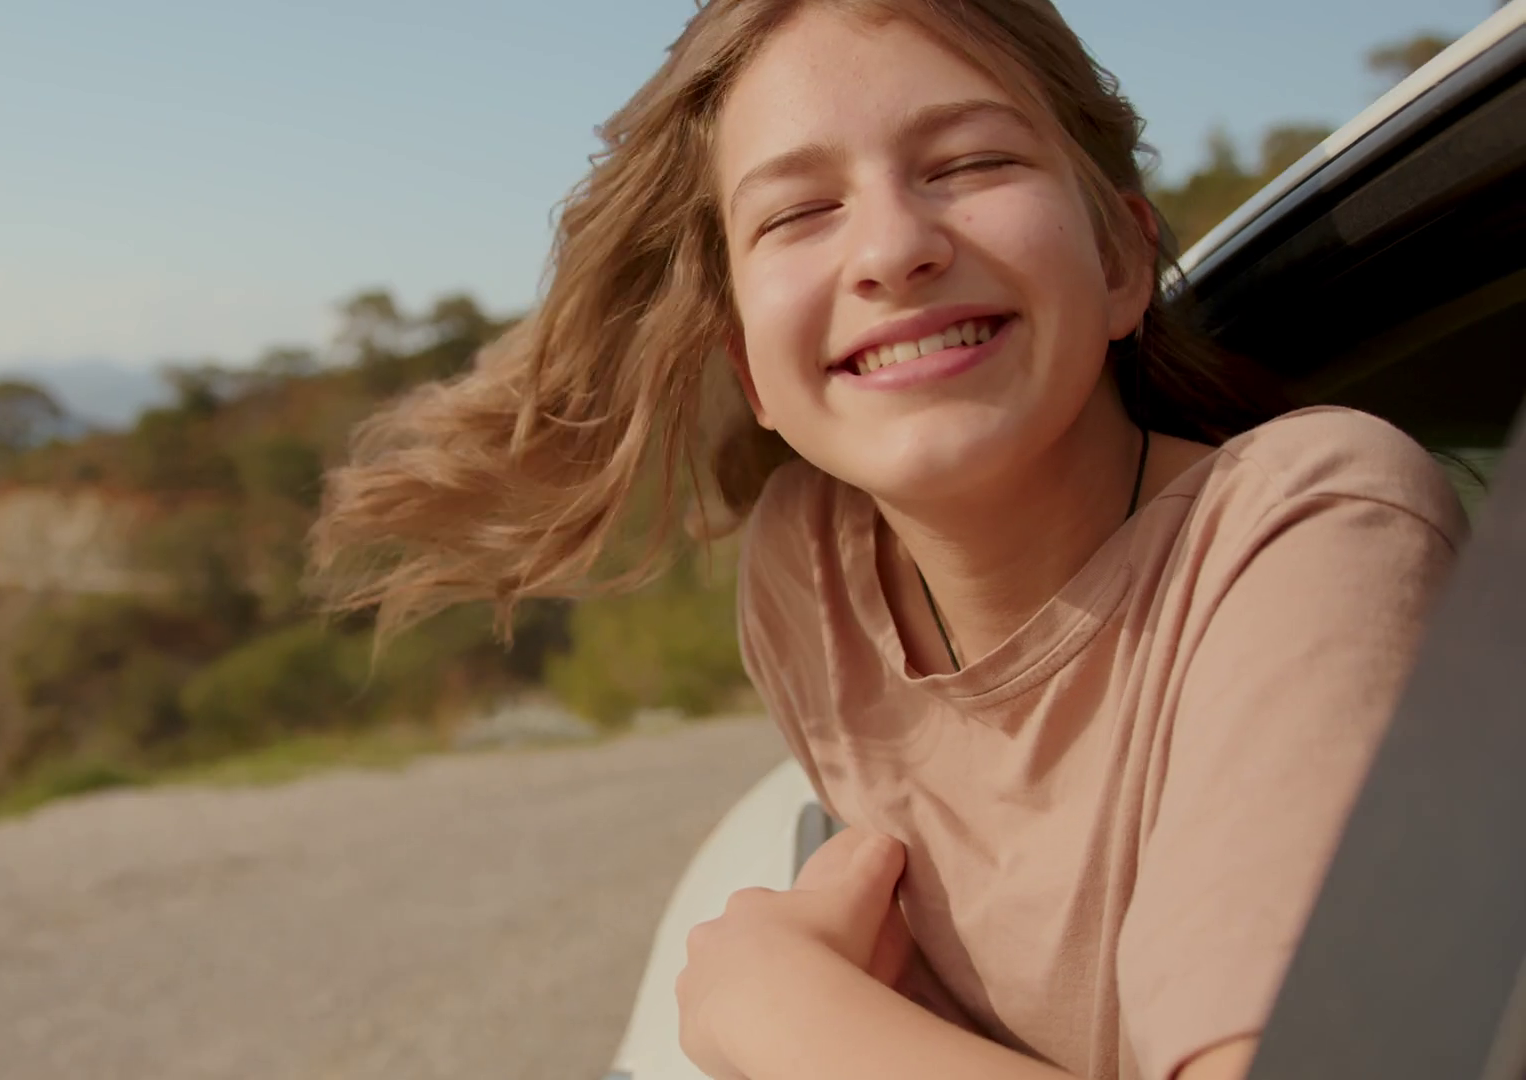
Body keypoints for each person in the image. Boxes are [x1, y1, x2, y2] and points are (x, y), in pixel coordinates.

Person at [307, 1, 1468, 1078]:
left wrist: (779, 1015)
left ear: (1118, 262)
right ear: (747, 368)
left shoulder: (1307, 525)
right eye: (800, 211)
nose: (892, 249)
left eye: (969, 163)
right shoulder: (807, 568)